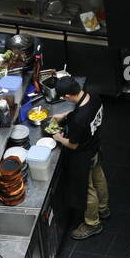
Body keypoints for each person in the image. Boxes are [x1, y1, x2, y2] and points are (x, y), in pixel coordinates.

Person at [51, 75, 109, 241]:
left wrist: (59, 139)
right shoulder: (94, 97)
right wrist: (66, 115)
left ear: (68, 96)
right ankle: (104, 208)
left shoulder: (78, 120)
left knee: (87, 189)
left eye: (64, 97)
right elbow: (84, 111)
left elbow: (73, 144)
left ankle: (92, 223)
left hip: (84, 155)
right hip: (96, 147)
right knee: (100, 178)